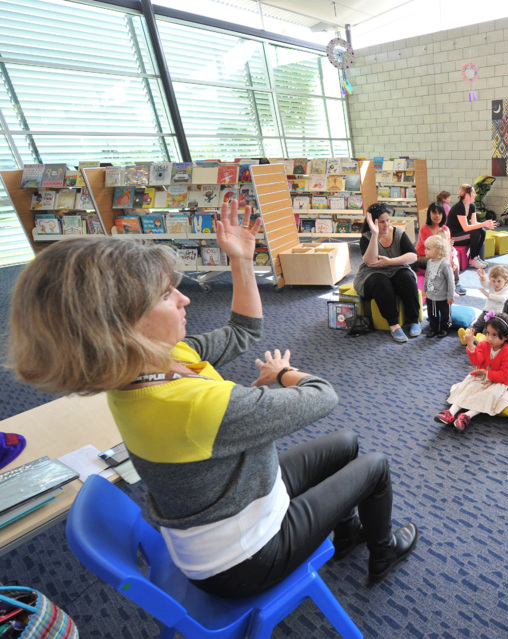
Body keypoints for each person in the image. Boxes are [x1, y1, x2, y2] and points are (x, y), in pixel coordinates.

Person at [7, 202, 418, 596]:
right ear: (121, 326)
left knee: (345, 444)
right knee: (375, 467)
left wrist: (240, 260)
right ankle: (381, 555)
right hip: (246, 559)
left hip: (240, 497)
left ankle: (346, 536)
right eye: (168, 295)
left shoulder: (147, 366)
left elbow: (242, 332)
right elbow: (322, 395)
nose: (186, 299)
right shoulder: (189, 404)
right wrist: (283, 375)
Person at [436, 312, 508, 433]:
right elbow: (476, 360)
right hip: (482, 375)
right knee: (467, 388)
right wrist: (470, 344)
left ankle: (467, 416)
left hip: (501, 380)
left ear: (506, 336)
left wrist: (487, 373)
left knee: (490, 395)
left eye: (494, 335)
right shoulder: (484, 344)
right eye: (488, 333)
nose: (489, 338)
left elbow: (504, 375)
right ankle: (451, 412)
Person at [355, 203, 421, 344]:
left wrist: (390, 262)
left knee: (407, 278)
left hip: (395, 266)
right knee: (381, 283)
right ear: (373, 223)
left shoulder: (398, 233)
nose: (386, 225)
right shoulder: (366, 237)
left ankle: (414, 319)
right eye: (382, 222)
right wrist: (374, 235)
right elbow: (370, 262)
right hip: (371, 273)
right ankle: (394, 325)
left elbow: (413, 256)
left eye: (388, 220)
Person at [415, 202, 465, 296]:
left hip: (441, 255)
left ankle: (455, 283)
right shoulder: (424, 229)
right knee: (441, 262)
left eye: (440, 213)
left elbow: (448, 247)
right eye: (434, 213)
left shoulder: (445, 229)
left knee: (454, 258)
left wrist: (451, 255)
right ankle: (446, 287)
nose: (437, 216)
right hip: (424, 256)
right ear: (429, 214)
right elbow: (431, 248)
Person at [448, 183, 496, 269]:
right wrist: (483, 224)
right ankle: (472, 260)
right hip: (454, 237)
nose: (476, 194)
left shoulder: (472, 206)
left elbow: (474, 223)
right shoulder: (459, 207)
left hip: (462, 234)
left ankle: (475, 257)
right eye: (473, 192)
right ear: (467, 195)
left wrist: (485, 224)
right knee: (475, 233)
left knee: (482, 231)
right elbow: (466, 227)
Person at [422, 235, 455, 338]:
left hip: (443, 297)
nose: (425, 250)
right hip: (431, 296)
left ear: (437, 251)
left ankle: (445, 328)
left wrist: (450, 296)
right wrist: (424, 289)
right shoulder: (429, 263)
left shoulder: (445, 265)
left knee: (445, 315)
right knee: (432, 313)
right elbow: (427, 276)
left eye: (428, 248)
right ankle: (434, 328)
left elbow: (451, 281)